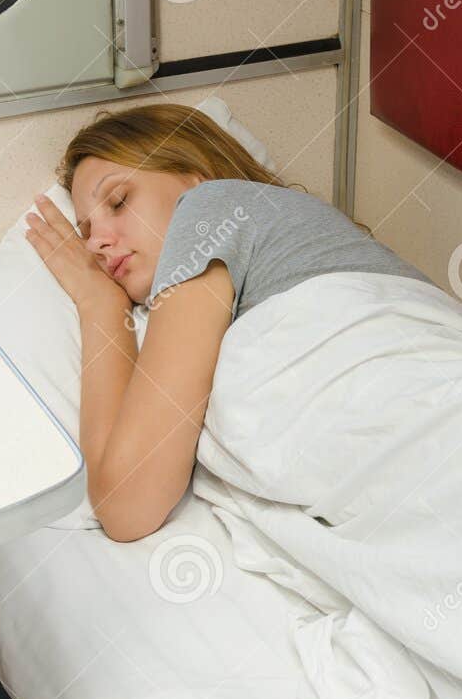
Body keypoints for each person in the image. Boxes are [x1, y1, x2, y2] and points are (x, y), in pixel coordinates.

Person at [24, 103, 430, 542]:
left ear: (195, 176)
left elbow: (127, 506)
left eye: (119, 201)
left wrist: (98, 304)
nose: (99, 242)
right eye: (86, 232)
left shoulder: (210, 208)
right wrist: (102, 302)